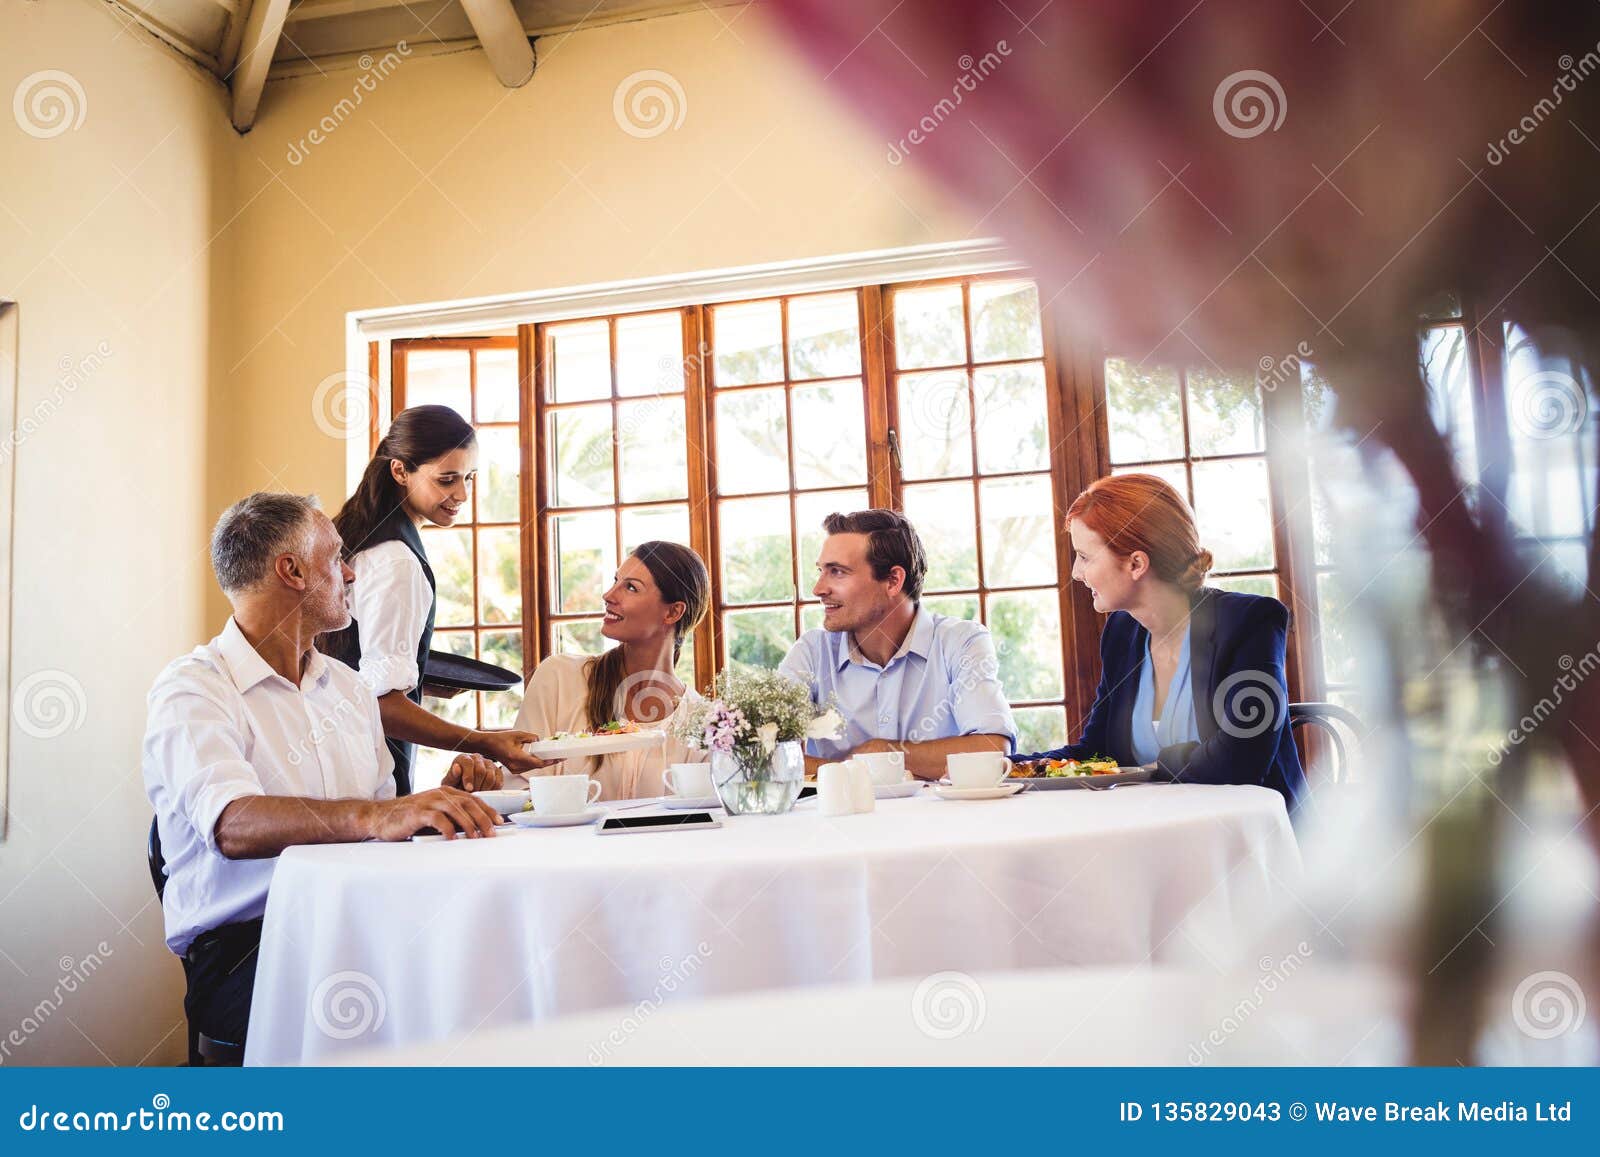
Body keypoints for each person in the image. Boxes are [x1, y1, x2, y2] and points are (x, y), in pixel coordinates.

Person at [143, 492, 506, 1050]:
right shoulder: (192, 688)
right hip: (251, 950)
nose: (352, 572)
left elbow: (380, 826)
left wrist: (436, 804)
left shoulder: (349, 687)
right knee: (427, 1013)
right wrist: (381, 815)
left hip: (363, 920)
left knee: (485, 973)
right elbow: (233, 824)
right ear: (290, 571)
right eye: (337, 558)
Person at [1016, 473, 1307, 811]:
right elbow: (1098, 753)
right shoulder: (1121, 633)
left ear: (1136, 563)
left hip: (1250, 842)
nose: (1076, 573)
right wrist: (1014, 767)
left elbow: (1242, 758)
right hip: (1157, 833)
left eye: (1085, 557)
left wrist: (1149, 769)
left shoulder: (1249, 621)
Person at [320, 405, 549, 795]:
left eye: (469, 478)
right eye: (446, 480)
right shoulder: (396, 560)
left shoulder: (367, 534)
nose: (462, 494)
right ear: (399, 471)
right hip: (365, 776)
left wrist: (423, 676)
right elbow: (382, 703)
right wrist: (483, 740)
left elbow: (354, 663)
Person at [779, 509, 1016, 779]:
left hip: (943, 820)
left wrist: (881, 753)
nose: (819, 589)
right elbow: (769, 755)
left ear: (893, 581)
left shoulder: (960, 642)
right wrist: (860, 766)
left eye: (838, 572)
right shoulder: (811, 652)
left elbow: (991, 750)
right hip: (843, 820)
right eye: (822, 571)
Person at [515, 541, 712, 800]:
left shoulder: (702, 721)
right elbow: (519, 785)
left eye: (630, 587)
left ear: (673, 612)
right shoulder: (559, 678)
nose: (608, 595)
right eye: (616, 581)